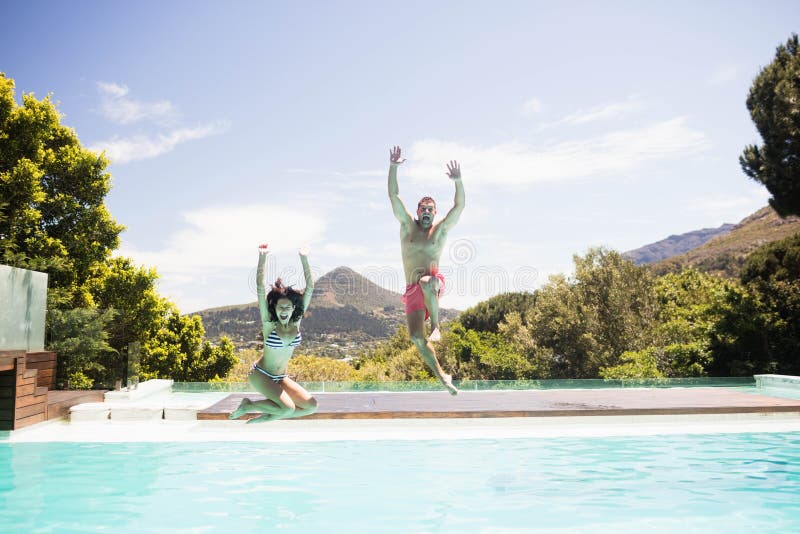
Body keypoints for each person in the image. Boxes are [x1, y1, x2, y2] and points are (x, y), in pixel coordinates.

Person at [388, 145, 464, 395]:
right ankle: (442, 376)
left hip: (433, 283)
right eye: (424, 209)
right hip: (412, 289)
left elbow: (459, 207)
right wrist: (394, 167)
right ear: (418, 211)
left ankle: (437, 327)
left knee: (427, 281)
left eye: (431, 210)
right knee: (416, 340)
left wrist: (458, 182)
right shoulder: (406, 227)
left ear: (435, 213)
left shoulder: (439, 231)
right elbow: (394, 197)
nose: (427, 213)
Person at [229, 244, 317, 422]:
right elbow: (260, 289)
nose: (284, 310)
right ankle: (249, 406)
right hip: (261, 374)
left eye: (287, 307)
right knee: (288, 409)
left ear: (293, 308)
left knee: (311, 406)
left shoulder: (296, 321)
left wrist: (304, 259)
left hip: (280, 377)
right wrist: (262, 258)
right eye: (280, 307)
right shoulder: (269, 324)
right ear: (275, 308)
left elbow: (310, 288)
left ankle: (269, 416)